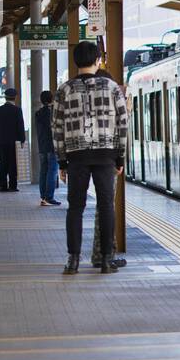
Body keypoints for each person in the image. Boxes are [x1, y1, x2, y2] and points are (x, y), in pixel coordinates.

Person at [53, 40, 128, 274]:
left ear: (75, 62)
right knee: (106, 206)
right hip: (106, 155)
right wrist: (120, 158)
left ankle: (73, 260)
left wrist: (62, 162)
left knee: (75, 208)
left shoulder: (65, 90)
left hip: (77, 156)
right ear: (97, 60)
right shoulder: (112, 87)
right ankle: (106, 260)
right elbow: (122, 125)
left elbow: (56, 128)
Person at [0, 87, 26, 192]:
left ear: (5, 97)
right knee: (13, 163)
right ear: (15, 97)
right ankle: (12, 185)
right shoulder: (17, 110)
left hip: (2, 140)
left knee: (3, 163)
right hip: (14, 141)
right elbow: (20, 125)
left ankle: (2, 186)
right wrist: (22, 139)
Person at [34, 90, 60, 207]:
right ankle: (49, 197)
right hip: (52, 146)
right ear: (51, 99)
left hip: (42, 146)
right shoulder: (53, 113)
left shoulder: (38, 113)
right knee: (52, 172)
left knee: (43, 171)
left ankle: (43, 196)